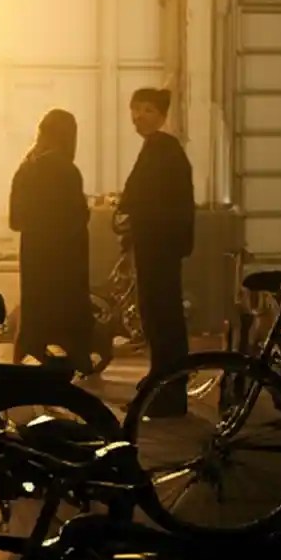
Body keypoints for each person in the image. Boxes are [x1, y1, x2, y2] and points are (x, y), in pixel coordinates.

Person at [121, 88, 194, 418]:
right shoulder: (155, 148)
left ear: (162, 116)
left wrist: (130, 212)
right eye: (135, 109)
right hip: (154, 247)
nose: (139, 116)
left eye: (148, 110)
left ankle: (169, 391)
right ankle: (161, 383)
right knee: (155, 318)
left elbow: (155, 200)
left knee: (163, 319)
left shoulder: (165, 150)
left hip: (159, 248)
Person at [9, 109, 95, 372]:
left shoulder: (27, 167)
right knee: (68, 311)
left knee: (36, 308)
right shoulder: (68, 171)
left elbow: (15, 219)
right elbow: (77, 216)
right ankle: (75, 360)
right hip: (65, 258)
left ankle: (30, 355)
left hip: (34, 253)